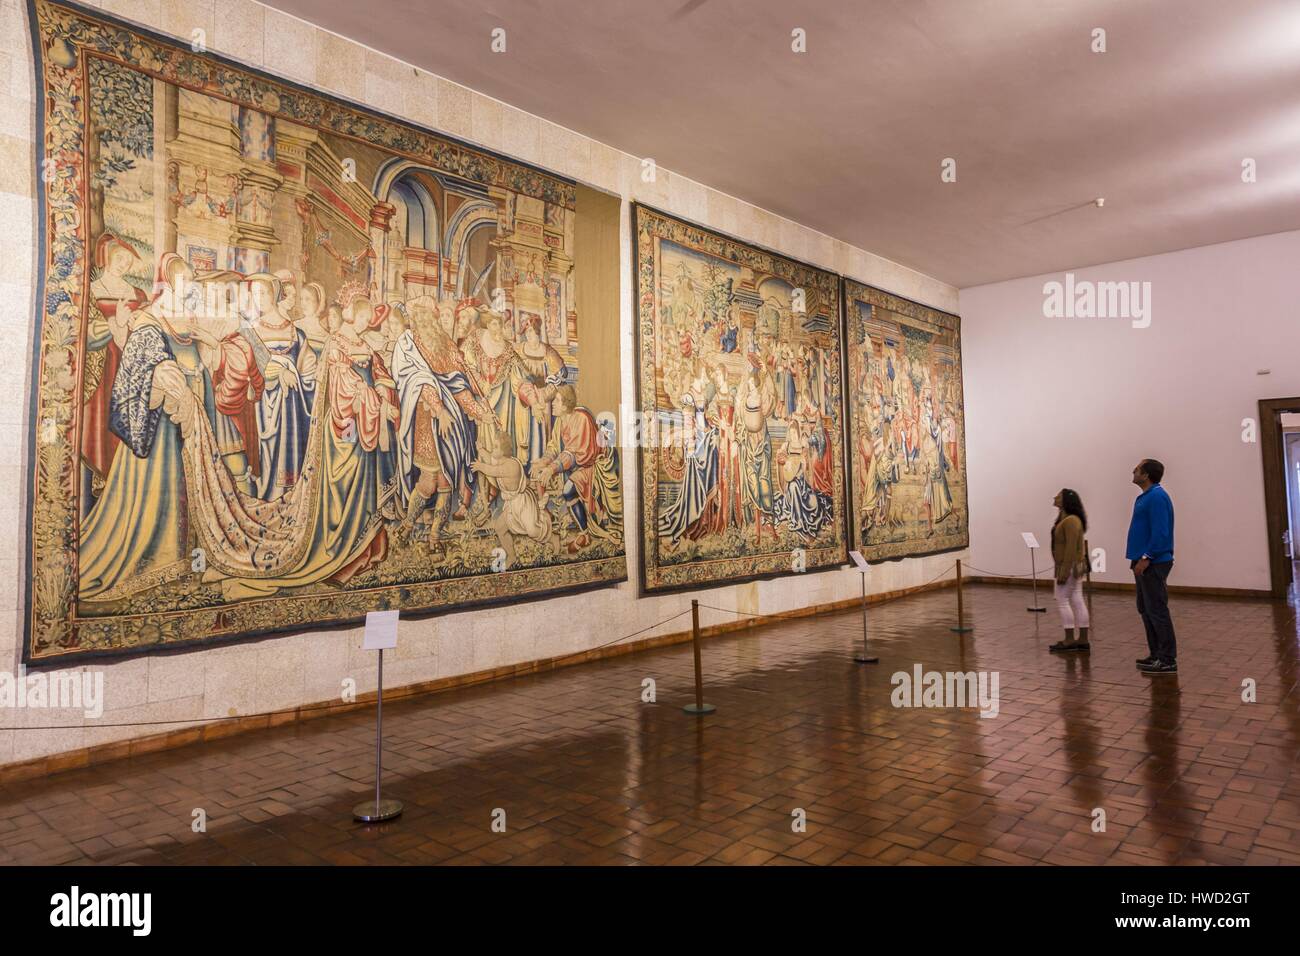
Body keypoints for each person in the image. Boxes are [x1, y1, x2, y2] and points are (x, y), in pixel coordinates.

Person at [1127, 458, 1177, 674]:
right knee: (1146, 609)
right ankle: (1156, 654)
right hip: (1142, 560)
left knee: (1156, 610)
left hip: (1153, 562)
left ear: (1146, 475)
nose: (1133, 470)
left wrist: (1147, 557)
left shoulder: (1157, 496)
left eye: (1137, 469)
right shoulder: (1145, 497)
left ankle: (1168, 659)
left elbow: (1161, 531)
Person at [1049, 488, 1091, 652]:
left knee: (1062, 600)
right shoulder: (1067, 519)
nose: (1055, 497)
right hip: (1072, 566)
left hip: (1069, 566)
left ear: (1066, 500)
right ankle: (1081, 639)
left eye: (1058, 495)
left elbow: (1071, 548)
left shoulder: (1071, 521)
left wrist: (1064, 572)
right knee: (1076, 599)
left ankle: (1069, 639)